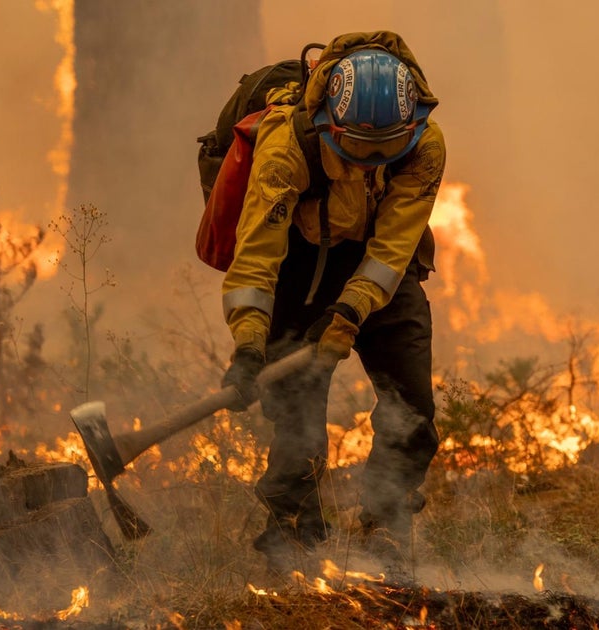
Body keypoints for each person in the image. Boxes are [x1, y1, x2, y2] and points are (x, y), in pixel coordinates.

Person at [219, 31, 446, 580]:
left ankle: (386, 534)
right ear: (329, 123)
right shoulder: (286, 145)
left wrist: (349, 313)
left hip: (379, 272)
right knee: (296, 421)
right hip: (299, 268)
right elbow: (255, 258)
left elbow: (393, 248)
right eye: (357, 149)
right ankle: (292, 543)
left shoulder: (426, 143)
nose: (369, 161)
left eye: (384, 149)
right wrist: (251, 345)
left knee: (412, 412)